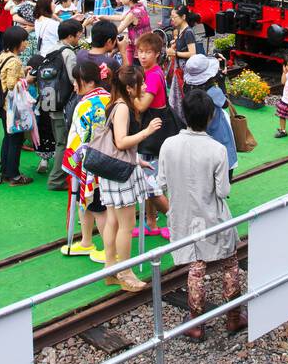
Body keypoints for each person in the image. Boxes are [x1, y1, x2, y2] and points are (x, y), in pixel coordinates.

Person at [160, 90, 247, 340]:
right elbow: (223, 191)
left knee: (195, 268)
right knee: (230, 262)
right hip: (212, 215)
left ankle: (196, 323)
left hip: (183, 215)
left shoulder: (169, 144)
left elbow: (162, 182)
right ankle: (233, 317)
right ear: (210, 117)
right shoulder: (217, 149)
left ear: (184, 114)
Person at [97, 65, 160, 292]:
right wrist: (147, 131)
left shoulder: (115, 103)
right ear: (129, 87)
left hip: (114, 170)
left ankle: (111, 268)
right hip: (121, 174)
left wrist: (136, 160)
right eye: (141, 83)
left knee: (113, 221)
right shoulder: (123, 107)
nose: (144, 87)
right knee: (126, 224)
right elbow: (121, 141)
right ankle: (125, 271)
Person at [60, 62, 109, 263]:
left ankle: (109, 248)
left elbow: (79, 137)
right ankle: (87, 242)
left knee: (96, 206)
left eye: (77, 82)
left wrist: (72, 157)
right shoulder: (110, 98)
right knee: (86, 202)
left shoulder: (84, 105)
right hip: (105, 159)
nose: (74, 86)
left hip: (91, 163)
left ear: (88, 82)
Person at [131, 31, 173, 236]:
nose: (143, 55)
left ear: (157, 54)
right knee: (149, 181)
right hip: (153, 132)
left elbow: (141, 106)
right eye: (140, 51)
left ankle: (175, 220)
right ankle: (151, 223)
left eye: (148, 52)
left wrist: (128, 93)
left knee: (151, 183)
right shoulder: (152, 72)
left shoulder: (153, 76)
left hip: (153, 134)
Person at [37, 19, 81, 189]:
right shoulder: (68, 54)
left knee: (59, 140)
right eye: (78, 34)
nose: (79, 37)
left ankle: (60, 176)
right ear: (70, 36)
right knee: (63, 142)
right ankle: (56, 180)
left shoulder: (51, 50)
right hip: (63, 104)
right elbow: (74, 79)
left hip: (50, 101)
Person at [182, 54, 238, 178]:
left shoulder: (187, 90)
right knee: (224, 161)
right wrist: (221, 81)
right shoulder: (212, 91)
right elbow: (224, 104)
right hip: (216, 132)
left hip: (195, 134)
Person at [0, 26, 32, 186]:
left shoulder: (3, 56)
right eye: (24, 41)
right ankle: (14, 175)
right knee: (16, 139)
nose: (26, 44)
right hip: (11, 106)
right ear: (18, 42)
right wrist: (27, 80)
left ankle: (5, 171)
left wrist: (22, 71)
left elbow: (6, 75)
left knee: (8, 137)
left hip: (3, 106)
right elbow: (11, 85)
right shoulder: (15, 60)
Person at [114, 0, 151, 65]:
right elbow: (121, 18)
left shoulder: (132, 14)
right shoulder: (140, 6)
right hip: (147, 45)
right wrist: (101, 17)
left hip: (139, 49)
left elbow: (118, 30)